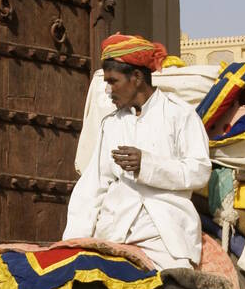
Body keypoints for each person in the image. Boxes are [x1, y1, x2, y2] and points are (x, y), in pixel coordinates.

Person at [63, 32, 212, 269]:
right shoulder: (111, 124)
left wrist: (148, 165)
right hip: (114, 230)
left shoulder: (180, 114)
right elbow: (93, 186)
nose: (108, 91)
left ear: (136, 77)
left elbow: (199, 171)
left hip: (165, 234)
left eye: (113, 82)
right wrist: (72, 242)